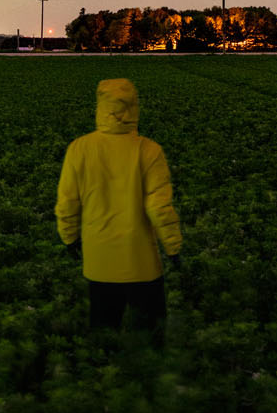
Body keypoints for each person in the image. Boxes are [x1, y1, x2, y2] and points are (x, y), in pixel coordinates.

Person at [53, 75, 184, 337]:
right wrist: (173, 248)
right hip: (142, 264)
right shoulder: (149, 151)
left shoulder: (79, 149)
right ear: (134, 108)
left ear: (100, 108)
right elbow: (159, 208)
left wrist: (69, 239)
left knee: (104, 336)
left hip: (99, 263)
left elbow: (67, 203)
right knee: (151, 338)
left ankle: (107, 374)